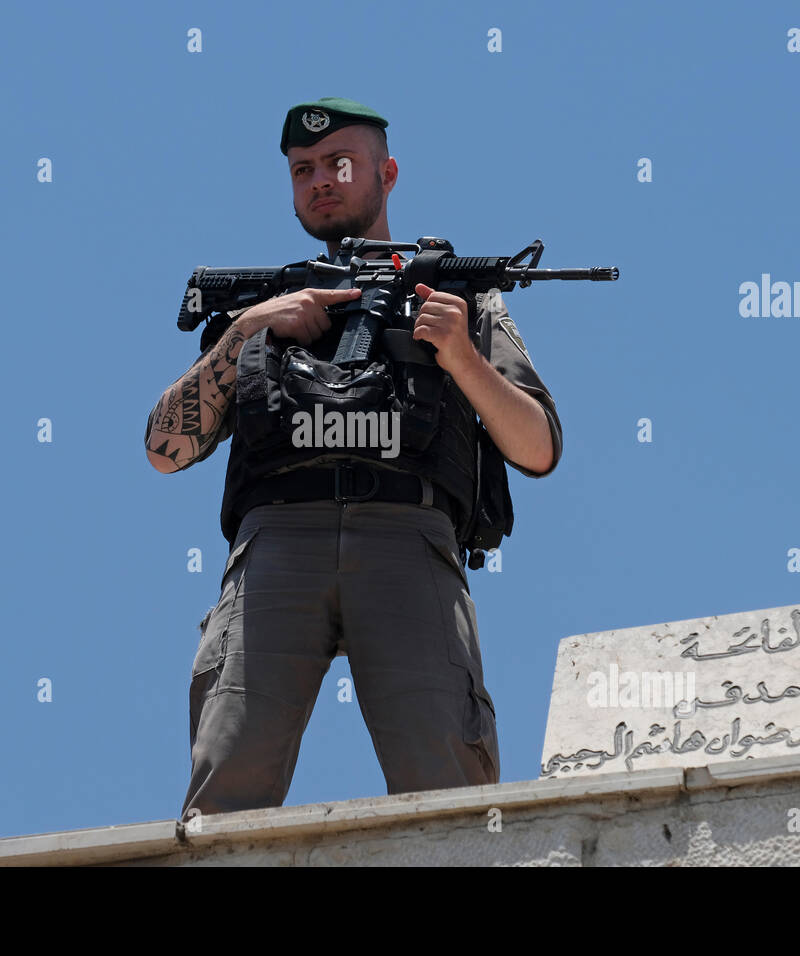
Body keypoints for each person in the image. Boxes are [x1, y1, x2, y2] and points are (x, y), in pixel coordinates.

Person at [144, 97, 564, 820]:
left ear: (388, 173)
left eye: (339, 163)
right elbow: (162, 449)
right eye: (302, 169)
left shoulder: (460, 293)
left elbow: (538, 446)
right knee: (226, 796)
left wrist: (460, 354)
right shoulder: (260, 303)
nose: (319, 180)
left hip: (410, 535)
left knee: (449, 798)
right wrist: (247, 328)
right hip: (276, 540)